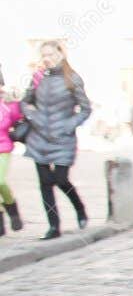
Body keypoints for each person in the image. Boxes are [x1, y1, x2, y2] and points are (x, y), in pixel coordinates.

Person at [20, 40, 92, 240]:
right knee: (44, 183)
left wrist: (69, 125)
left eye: (50, 54)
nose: (47, 58)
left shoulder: (73, 78)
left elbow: (85, 109)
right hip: (39, 138)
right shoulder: (38, 77)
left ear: (61, 53)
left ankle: (80, 209)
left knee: (60, 179)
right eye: (43, 55)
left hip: (63, 139)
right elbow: (25, 102)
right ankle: (54, 226)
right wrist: (33, 116)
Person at [0, 79, 25, 236]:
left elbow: (21, 119)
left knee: (0, 181)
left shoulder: (7, 103)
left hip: (3, 147)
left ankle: (12, 209)